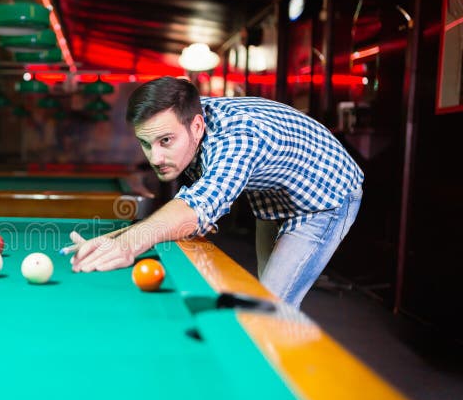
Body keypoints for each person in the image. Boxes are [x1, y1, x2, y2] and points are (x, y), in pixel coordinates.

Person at [70, 76, 364, 308]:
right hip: (272, 197)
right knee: (267, 292)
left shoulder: (238, 140)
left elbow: (197, 206)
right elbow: (196, 198)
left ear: (197, 127)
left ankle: (285, 379)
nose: (154, 158)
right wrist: (117, 239)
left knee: (273, 304)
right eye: (146, 143)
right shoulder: (188, 115)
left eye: (165, 141)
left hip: (325, 197)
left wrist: (129, 243)